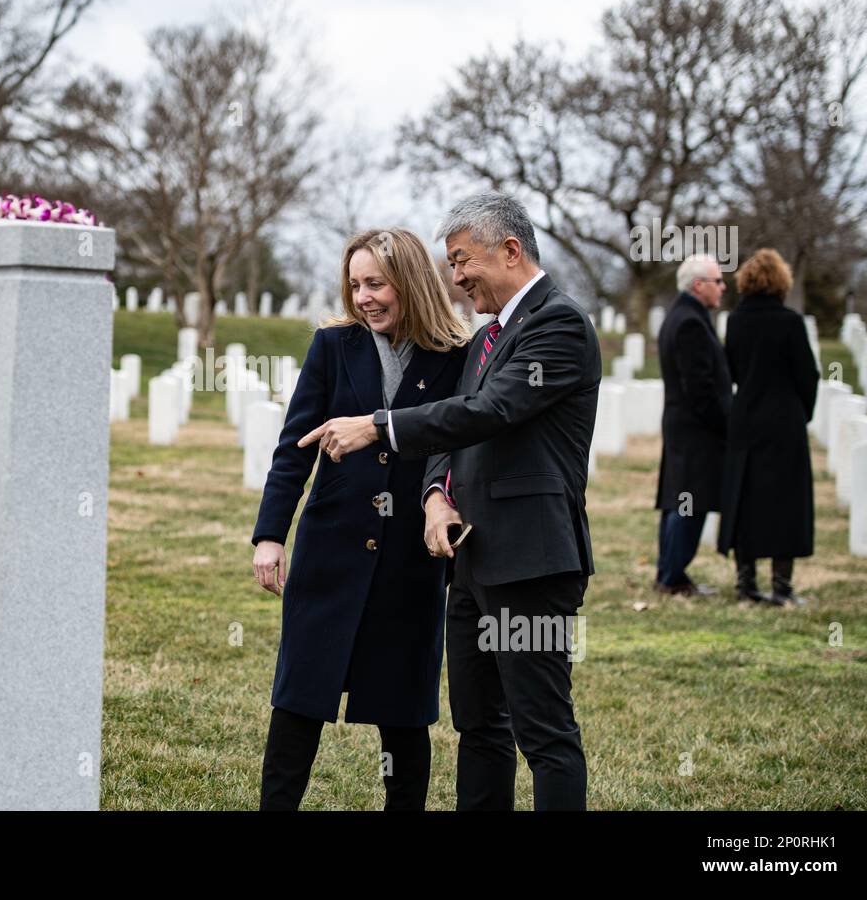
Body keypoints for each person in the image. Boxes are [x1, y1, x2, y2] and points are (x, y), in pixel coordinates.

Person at [300, 192, 601, 810]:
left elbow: (491, 410)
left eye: (464, 261)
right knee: (479, 728)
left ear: (510, 250)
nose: (456, 277)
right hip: (470, 560)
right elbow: (454, 430)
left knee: (543, 732)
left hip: (533, 561)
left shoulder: (558, 324)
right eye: (451, 264)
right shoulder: (489, 334)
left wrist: (378, 425)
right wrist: (436, 495)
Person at [251, 228, 471, 810]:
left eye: (376, 283)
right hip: (332, 548)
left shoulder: (454, 355)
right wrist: (271, 535)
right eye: (355, 284)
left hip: (409, 559)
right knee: (298, 700)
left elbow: (458, 445)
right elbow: (293, 447)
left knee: (403, 713)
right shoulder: (333, 346)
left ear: (411, 283)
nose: (364, 296)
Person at [717, 249, 819, 605]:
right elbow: (808, 375)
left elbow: (730, 370)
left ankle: (746, 585)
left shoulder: (735, 321)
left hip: (746, 417)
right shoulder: (790, 322)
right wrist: (801, 412)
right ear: (781, 281)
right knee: (785, 502)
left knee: (745, 498)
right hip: (784, 421)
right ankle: (782, 588)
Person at [654, 254, 731, 597]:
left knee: (679, 500)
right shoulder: (690, 322)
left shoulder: (685, 315)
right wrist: (723, 423)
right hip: (695, 429)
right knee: (689, 502)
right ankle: (672, 577)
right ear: (699, 285)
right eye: (718, 281)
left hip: (684, 426)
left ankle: (669, 573)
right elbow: (699, 386)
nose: (723, 287)